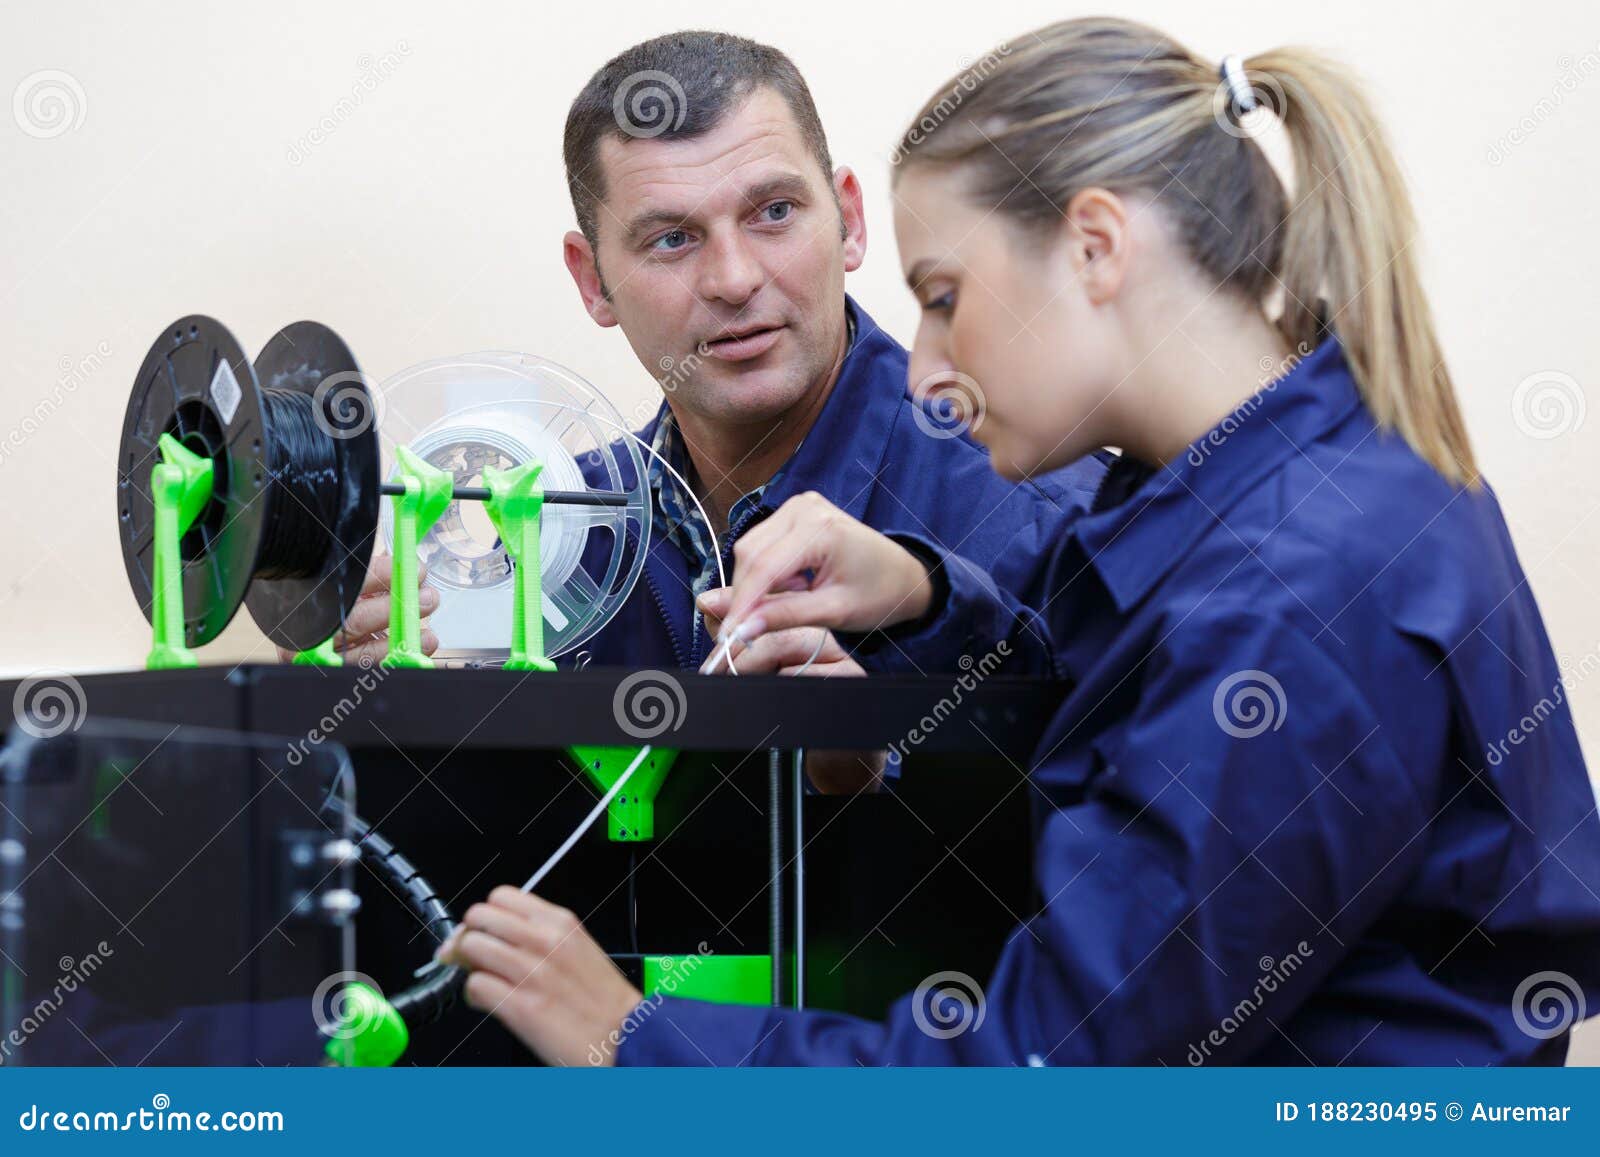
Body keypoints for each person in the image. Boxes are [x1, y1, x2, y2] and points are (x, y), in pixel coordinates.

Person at [438, 17, 1600, 1065]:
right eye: (672, 239)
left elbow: (1046, 1068)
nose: (926, 366)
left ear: (1094, 247)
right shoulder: (1248, 503)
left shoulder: (1287, 596)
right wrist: (920, 600)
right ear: (595, 278)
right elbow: (1110, 734)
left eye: (942, 294)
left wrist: (628, 1035)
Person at [309, 31, 1106, 791]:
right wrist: (386, 734)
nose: (732, 278)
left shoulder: (1055, 515)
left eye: (774, 213)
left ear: (850, 220)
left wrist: (868, 786)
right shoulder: (545, 529)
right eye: (671, 239)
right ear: (592, 282)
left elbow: (1116, 887)